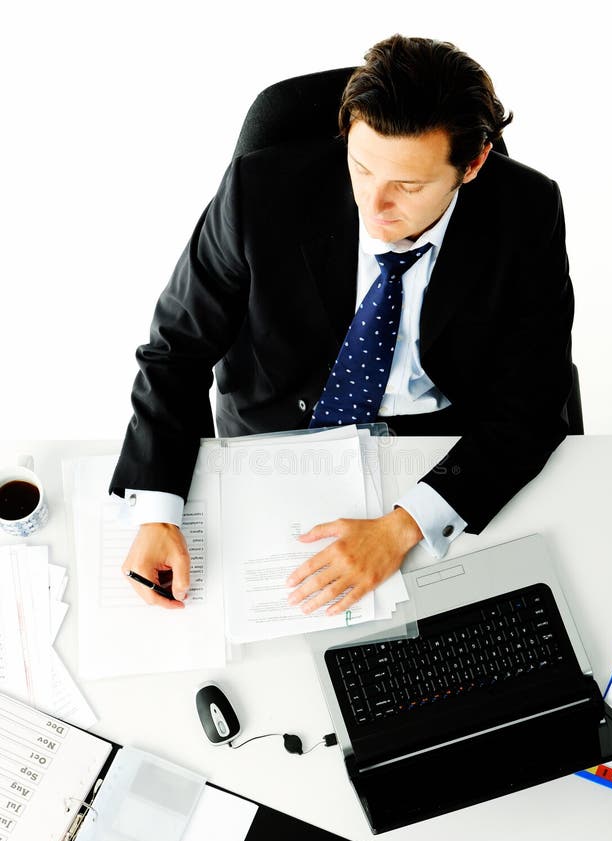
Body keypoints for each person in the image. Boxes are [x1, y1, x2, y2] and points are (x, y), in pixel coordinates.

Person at [111, 34, 575, 615]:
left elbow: (532, 403)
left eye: (408, 186)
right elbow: (175, 351)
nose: (374, 207)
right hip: (278, 434)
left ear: (473, 163)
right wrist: (157, 511)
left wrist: (404, 526)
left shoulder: (526, 212)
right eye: (361, 168)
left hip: (443, 447)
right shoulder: (259, 192)